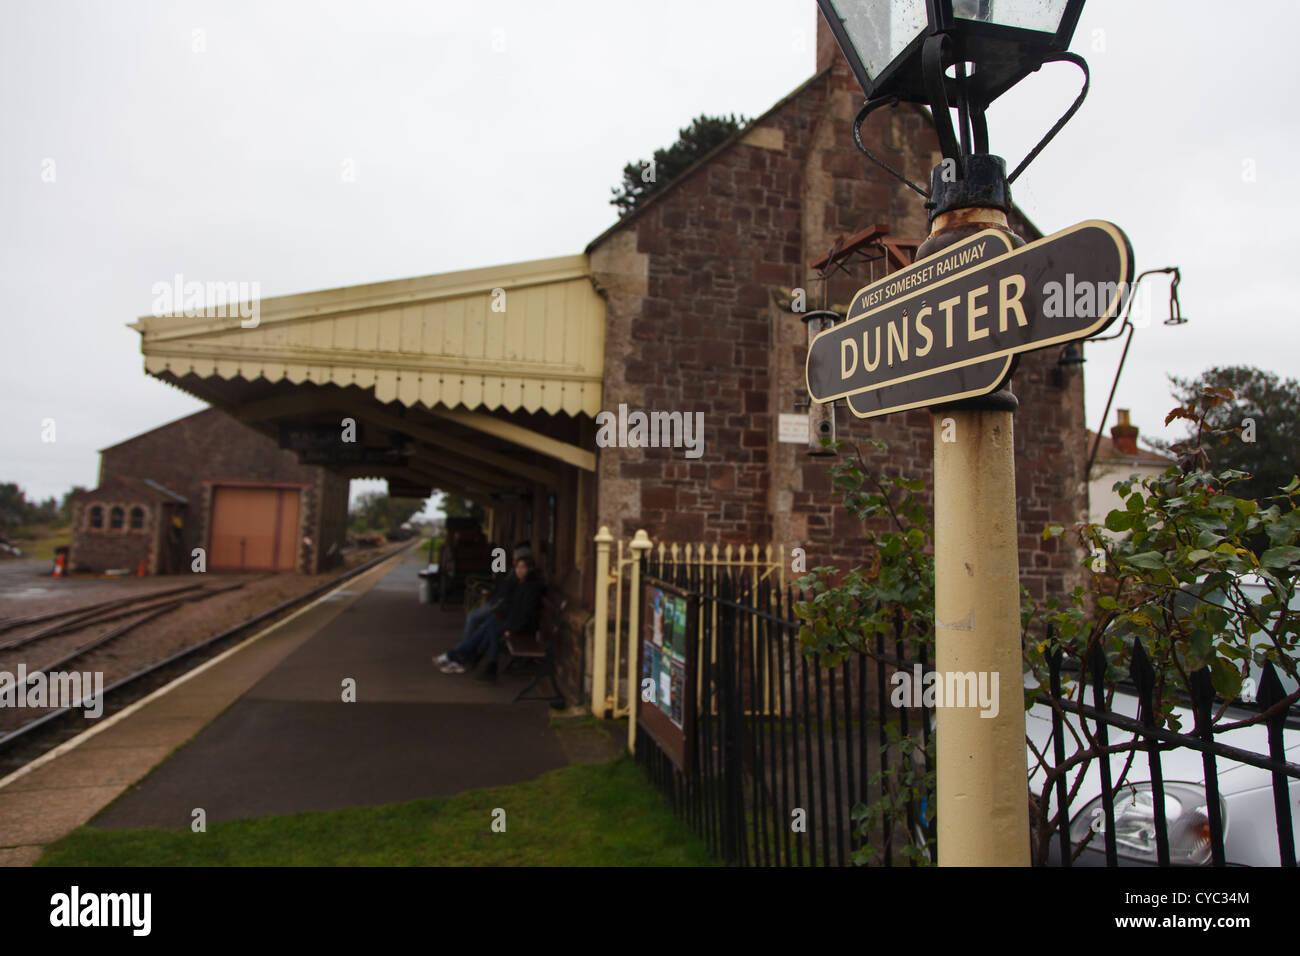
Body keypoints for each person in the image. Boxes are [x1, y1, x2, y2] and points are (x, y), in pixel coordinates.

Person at [439, 554, 544, 682]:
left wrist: (511, 629)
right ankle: (468, 659)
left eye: (523, 568)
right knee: (489, 627)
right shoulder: (521, 582)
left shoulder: (530, 587)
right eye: (517, 567)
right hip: (511, 619)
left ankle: (459, 656)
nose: (519, 570)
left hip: (523, 626)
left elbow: (526, 613)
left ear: (530, 569)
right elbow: (512, 604)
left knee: (489, 627)